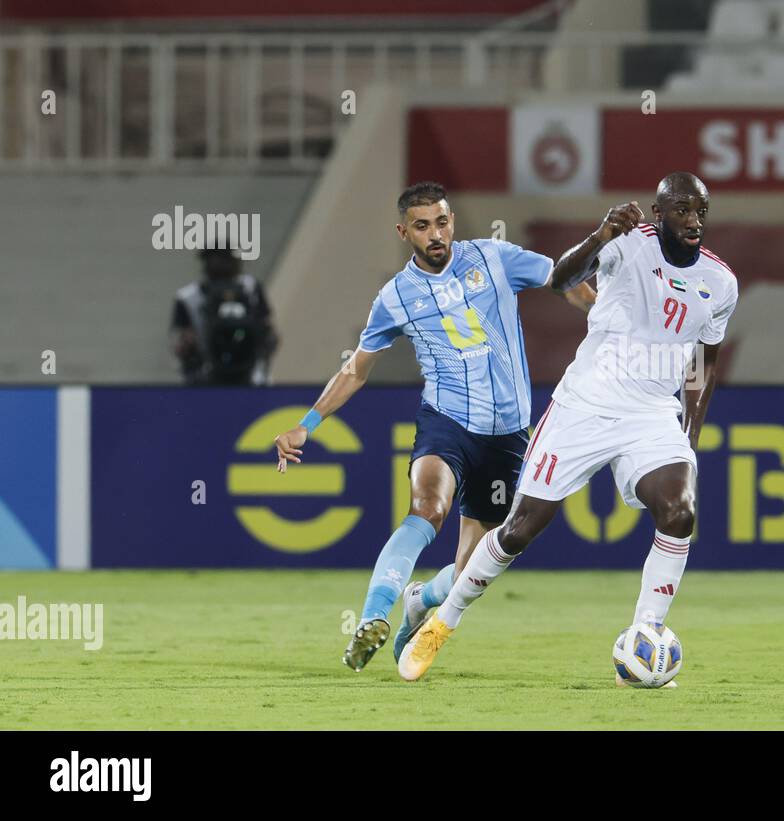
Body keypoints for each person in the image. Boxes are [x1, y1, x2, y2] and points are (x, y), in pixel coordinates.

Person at [398, 172, 738, 687]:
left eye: (701, 211)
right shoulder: (626, 243)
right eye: (683, 210)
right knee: (519, 529)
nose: (694, 221)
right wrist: (601, 234)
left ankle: (645, 634)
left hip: (651, 414)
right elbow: (560, 279)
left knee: (680, 509)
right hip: (586, 402)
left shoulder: (721, 283)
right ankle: (444, 619)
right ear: (660, 212)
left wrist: (688, 437)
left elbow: (704, 364)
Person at [272, 181, 594, 672]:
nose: (435, 233)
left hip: (508, 433)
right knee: (428, 508)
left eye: (442, 222)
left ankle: (420, 601)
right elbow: (356, 368)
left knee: (473, 569)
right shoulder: (396, 296)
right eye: (422, 226)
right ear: (404, 232)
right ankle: (372, 617)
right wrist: (306, 424)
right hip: (446, 420)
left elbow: (564, 278)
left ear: (451, 222)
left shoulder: (494, 258)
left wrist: (602, 311)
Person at [171, 247, 278, 385]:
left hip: (251, 371)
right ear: (206, 263)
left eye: (228, 259)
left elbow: (266, 324)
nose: (223, 265)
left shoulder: (251, 288)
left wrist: (265, 339)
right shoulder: (188, 297)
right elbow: (180, 340)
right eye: (217, 259)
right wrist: (188, 345)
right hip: (205, 372)